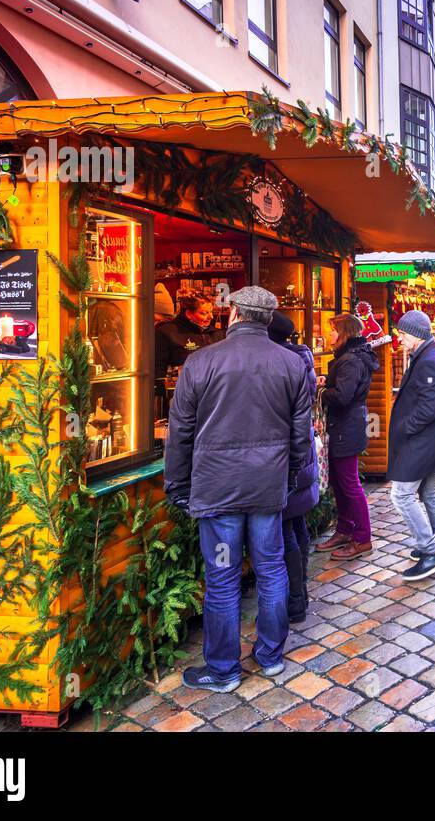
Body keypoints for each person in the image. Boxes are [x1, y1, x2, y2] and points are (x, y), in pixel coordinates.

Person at [165, 285, 313, 692]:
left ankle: (224, 669)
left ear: (233, 315)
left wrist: (177, 485)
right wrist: (287, 476)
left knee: (223, 577)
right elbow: (302, 436)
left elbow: (180, 433)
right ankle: (269, 656)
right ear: (266, 319)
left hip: (218, 492)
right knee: (270, 570)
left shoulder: (201, 362)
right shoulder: (290, 364)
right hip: (266, 489)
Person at [389, 310, 435, 581]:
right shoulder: (430, 353)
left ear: (414, 334)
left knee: (401, 495)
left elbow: (427, 409)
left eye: (402, 335)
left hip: (423, 440)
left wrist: (405, 428)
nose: (399, 340)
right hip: (431, 439)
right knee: (428, 492)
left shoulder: (429, 360)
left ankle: (431, 551)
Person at [315, 313, 380, 562]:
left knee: (350, 484)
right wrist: (326, 382)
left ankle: (362, 538)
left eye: (332, 330)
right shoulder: (349, 358)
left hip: (346, 427)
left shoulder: (350, 360)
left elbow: (342, 396)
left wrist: (320, 388)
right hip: (345, 426)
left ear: (343, 333)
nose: (328, 335)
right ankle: (345, 530)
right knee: (341, 483)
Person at [267, 311, 318, 622]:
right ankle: (300, 592)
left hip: (284, 461)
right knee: (297, 525)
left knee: (286, 530)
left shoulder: (280, 363)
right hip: (301, 457)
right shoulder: (302, 359)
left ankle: (294, 601)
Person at [155, 293, 224, 377]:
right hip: (184, 388)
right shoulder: (166, 333)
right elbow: (158, 371)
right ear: (189, 314)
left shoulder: (218, 334)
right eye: (204, 313)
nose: (211, 317)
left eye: (211, 312)